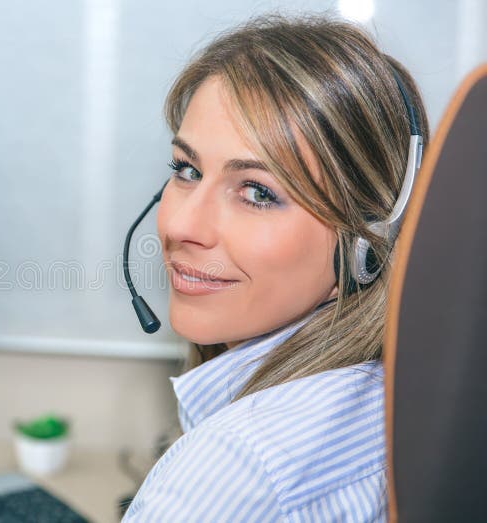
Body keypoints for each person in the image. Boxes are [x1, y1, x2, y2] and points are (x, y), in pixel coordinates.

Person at [122, 14, 428, 522]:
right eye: (186, 170)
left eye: (259, 193)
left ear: (365, 245)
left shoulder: (231, 470)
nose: (181, 225)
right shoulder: (391, 404)